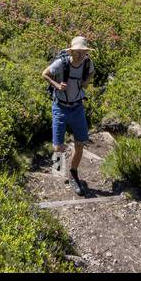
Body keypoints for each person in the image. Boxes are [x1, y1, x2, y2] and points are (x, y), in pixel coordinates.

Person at [43, 36, 94, 194]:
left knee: (80, 143)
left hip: (77, 107)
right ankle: (58, 171)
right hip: (60, 107)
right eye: (77, 52)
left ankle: (73, 173)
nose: (80, 55)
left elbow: (92, 73)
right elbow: (44, 74)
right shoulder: (62, 63)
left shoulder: (87, 63)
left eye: (83, 52)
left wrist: (86, 82)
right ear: (71, 51)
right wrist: (57, 85)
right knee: (58, 146)